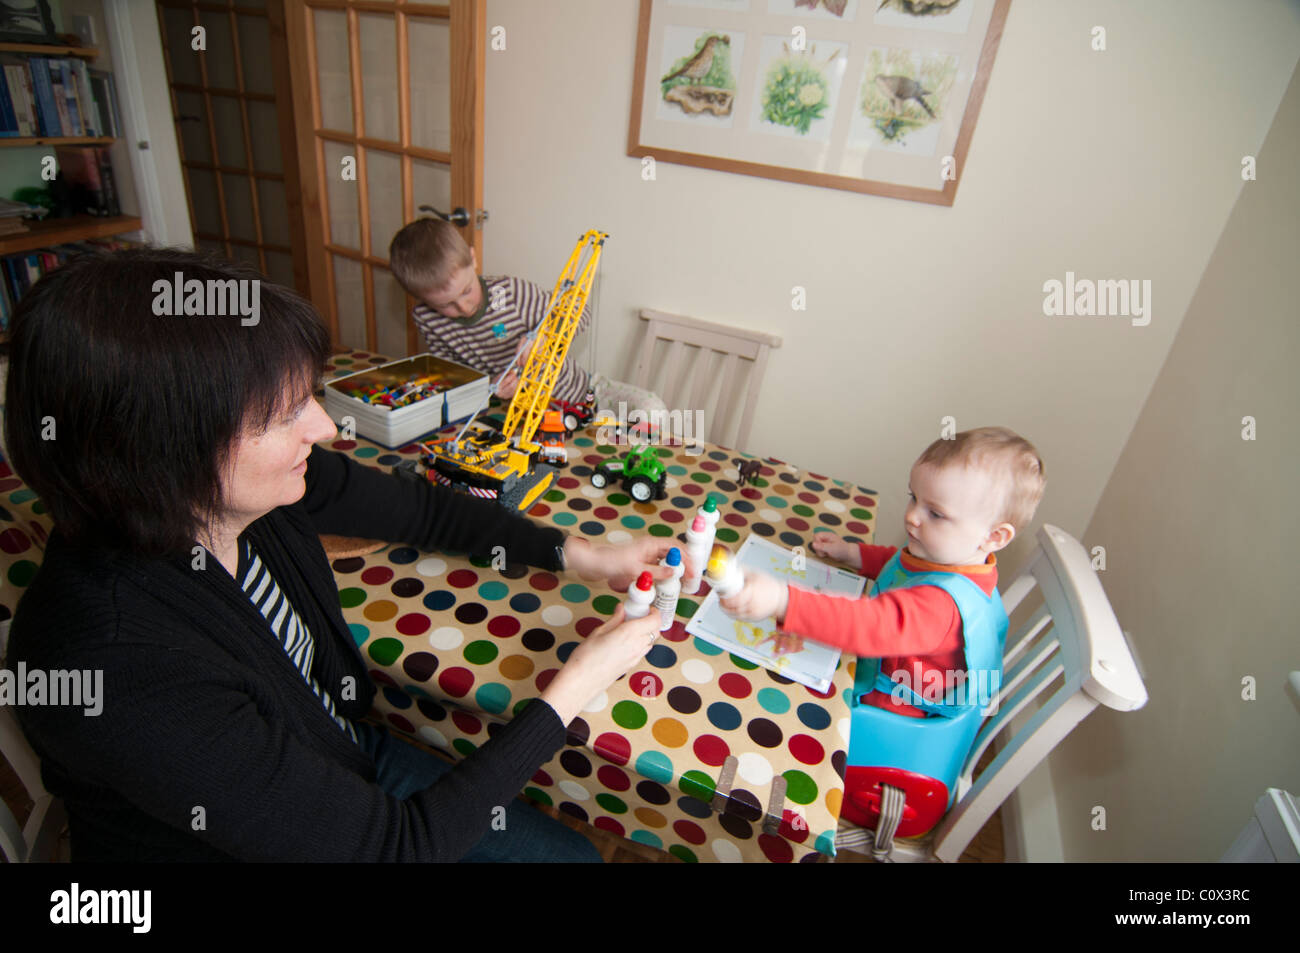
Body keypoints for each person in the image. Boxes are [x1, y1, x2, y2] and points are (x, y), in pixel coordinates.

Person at [2, 248, 687, 862]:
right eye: (283, 413)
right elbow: (396, 848)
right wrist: (574, 684)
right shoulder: (118, 665)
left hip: (333, 756)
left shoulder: (247, 492)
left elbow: (422, 508)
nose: (325, 425)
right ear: (163, 453)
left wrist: (583, 554)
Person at [718, 427, 1045, 718]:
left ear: (994, 537)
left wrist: (783, 600)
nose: (913, 517)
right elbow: (901, 564)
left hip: (892, 709)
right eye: (913, 498)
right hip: (887, 670)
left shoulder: (940, 609)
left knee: (773, 699)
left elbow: (868, 625)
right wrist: (852, 553)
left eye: (936, 513)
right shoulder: (956, 559)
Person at [388, 218, 666, 417]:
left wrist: (545, 336)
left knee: (651, 409)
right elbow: (451, 376)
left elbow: (581, 313)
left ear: (473, 259)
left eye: (466, 291)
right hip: (521, 412)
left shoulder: (510, 293)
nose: (462, 307)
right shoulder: (427, 318)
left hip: (581, 392)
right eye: (445, 305)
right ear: (423, 300)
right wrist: (491, 385)